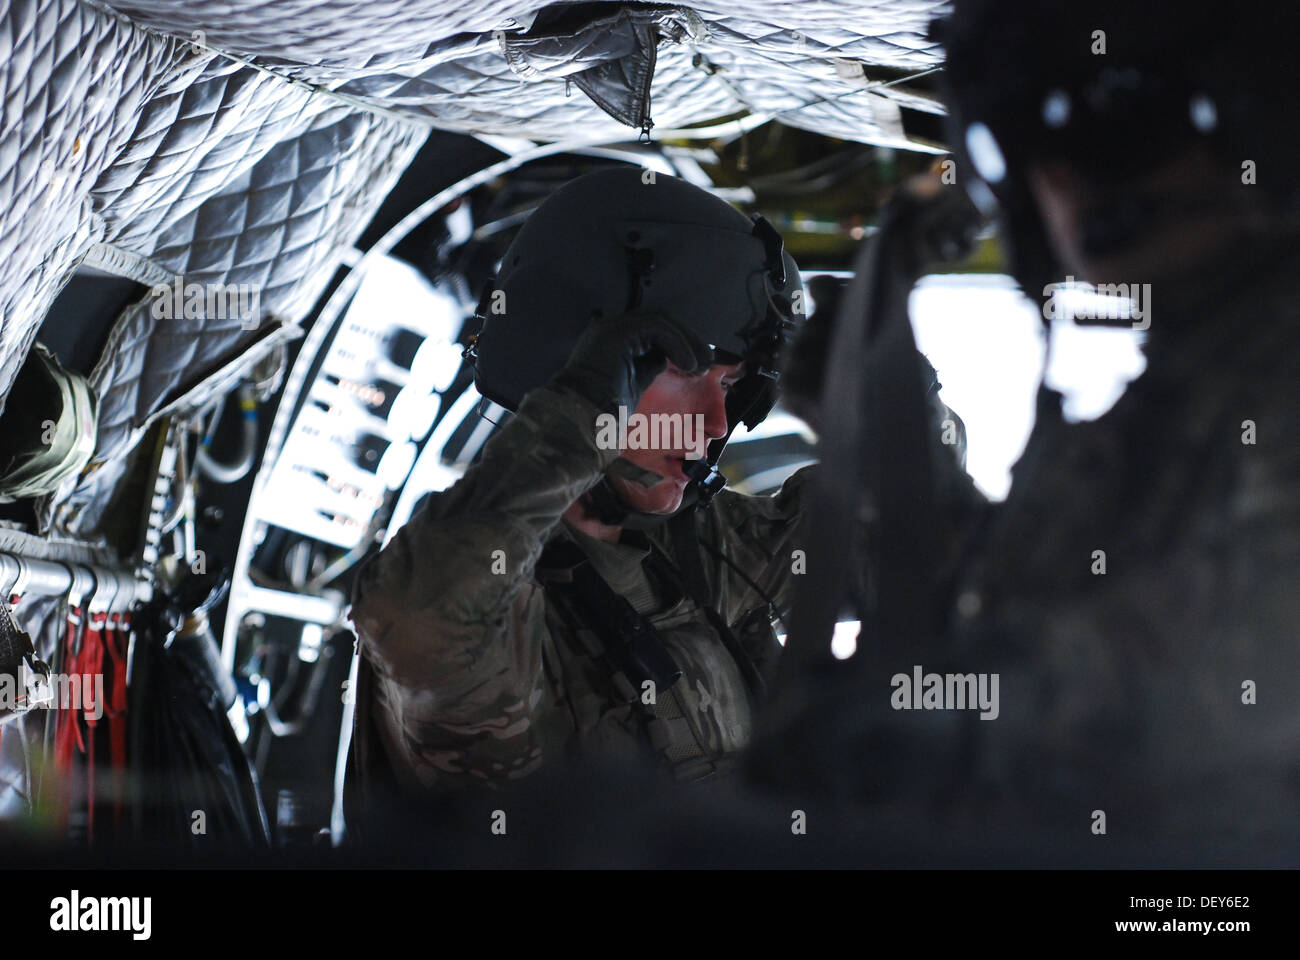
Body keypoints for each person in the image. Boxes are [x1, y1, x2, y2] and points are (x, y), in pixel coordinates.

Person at [761, 0, 1300, 865]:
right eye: (1026, 147)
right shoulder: (1178, 390)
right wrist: (874, 425)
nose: (1069, 183)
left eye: (1115, 124)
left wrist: (990, 699)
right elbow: (1010, 597)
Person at [343, 168, 815, 831]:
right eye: (684, 373)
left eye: (732, 385)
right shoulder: (486, 591)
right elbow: (422, 624)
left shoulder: (701, 551)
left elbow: (896, 529)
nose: (715, 423)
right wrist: (579, 417)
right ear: (578, 362)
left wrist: (879, 375)